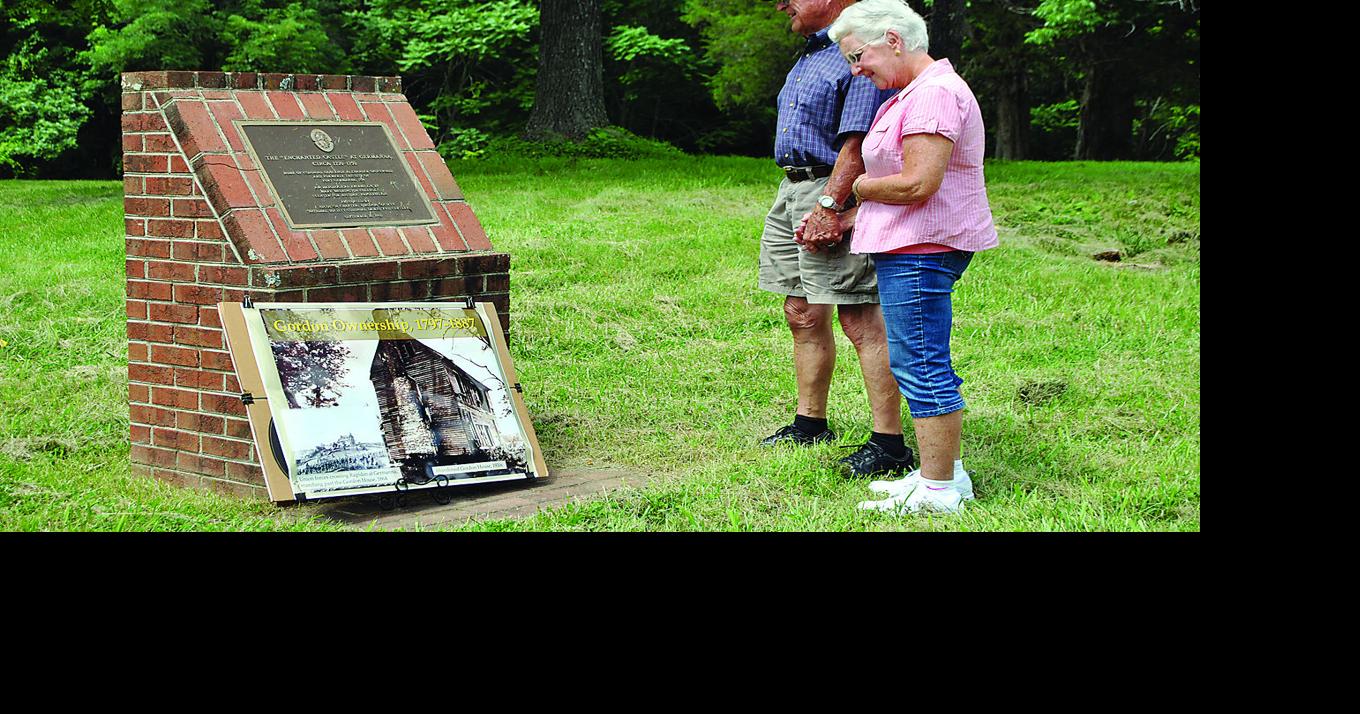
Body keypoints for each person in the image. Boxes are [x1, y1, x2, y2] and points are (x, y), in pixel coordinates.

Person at [822, 0, 1000, 513]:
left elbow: (918, 182)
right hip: (911, 243)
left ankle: (939, 493)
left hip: (922, 248)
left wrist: (858, 187)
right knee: (915, 358)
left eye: (858, 56)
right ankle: (943, 475)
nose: (856, 70)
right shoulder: (916, 92)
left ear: (894, 41)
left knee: (921, 362)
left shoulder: (934, 94)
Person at [759, 0, 912, 480]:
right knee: (801, 311)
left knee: (858, 317)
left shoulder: (858, 50)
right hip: (792, 186)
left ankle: (889, 443)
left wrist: (831, 205)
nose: (781, 3)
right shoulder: (812, 53)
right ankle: (810, 424)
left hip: (831, 187)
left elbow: (859, 140)